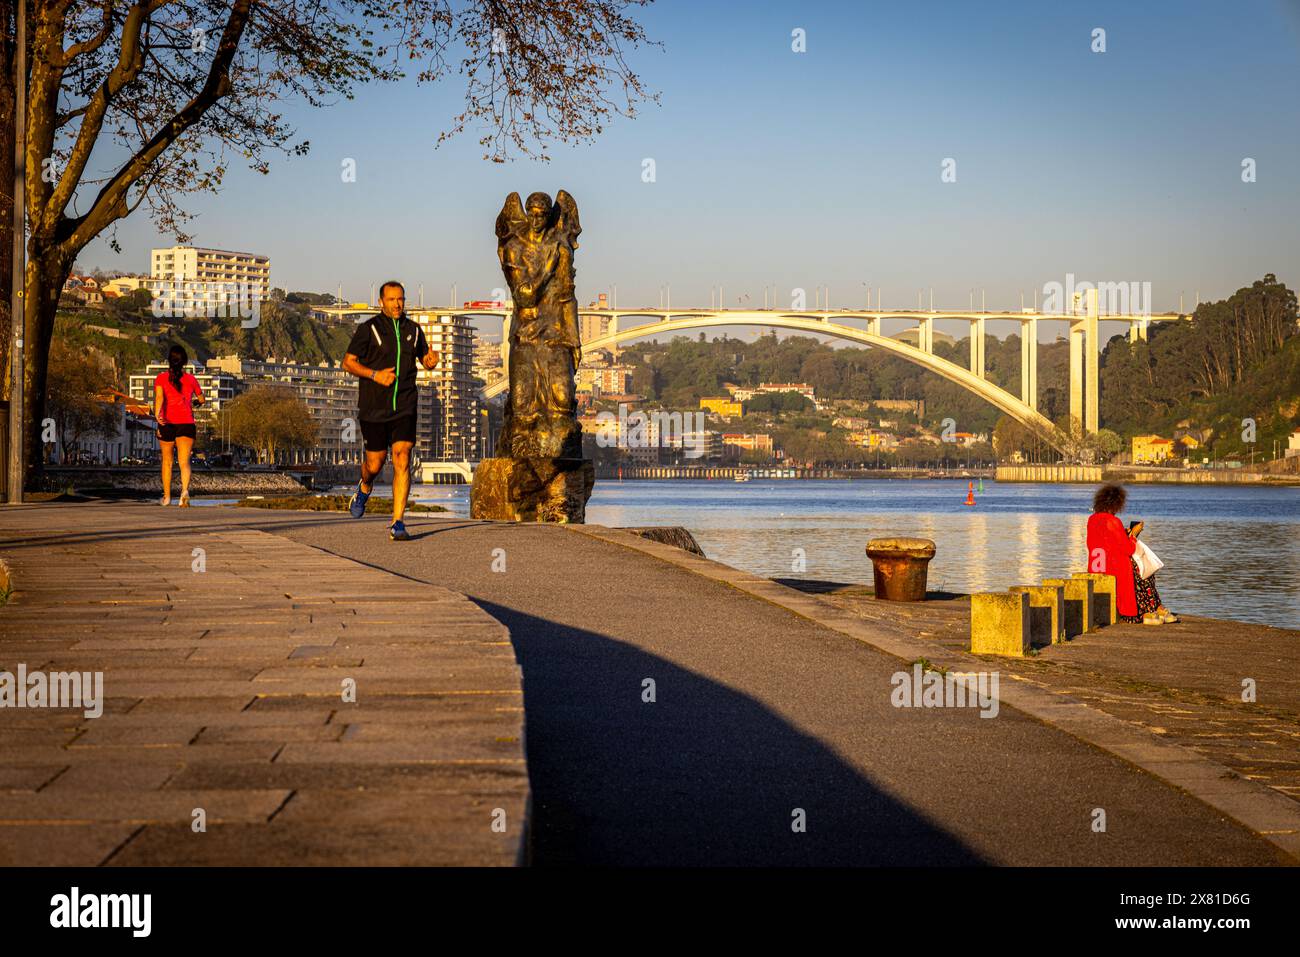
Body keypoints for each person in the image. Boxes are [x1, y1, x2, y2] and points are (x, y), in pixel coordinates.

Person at [341, 281, 439, 540]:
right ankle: (364, 487)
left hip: (405, 404)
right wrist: (375, 375)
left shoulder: (414, 330)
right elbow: (348, 363)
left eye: (401, 299)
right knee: (374, 463)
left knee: (402, 456)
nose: (397, 304)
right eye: (392, 299)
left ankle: (398, 522)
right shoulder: (368, 329)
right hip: (374, 406)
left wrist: (430, 362)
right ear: (381, 301)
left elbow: (425, 359)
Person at [1086, 483, 1179, 625]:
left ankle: (1154, 609)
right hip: (1114, 568)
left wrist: (1124, 534)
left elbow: (1101, 542)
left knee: (1141, 570)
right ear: (1116, 504)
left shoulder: (1092, 520)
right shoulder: (1113, 521)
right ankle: (1150, 610)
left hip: (1097, 567)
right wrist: (1134, 534)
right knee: (1144, 571)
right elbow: (1128, 549)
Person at [153, 344, 204, 506]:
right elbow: (202, 399)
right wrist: (196, 402)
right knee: (184, 462)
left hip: (167, 422)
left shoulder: (161, 378)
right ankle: (184, 492)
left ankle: (167, 497)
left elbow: (159, 398)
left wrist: (157, 415)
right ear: (184, 362)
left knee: (167, 462)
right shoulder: (191, 379)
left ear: (169, 360)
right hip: (186, 423)